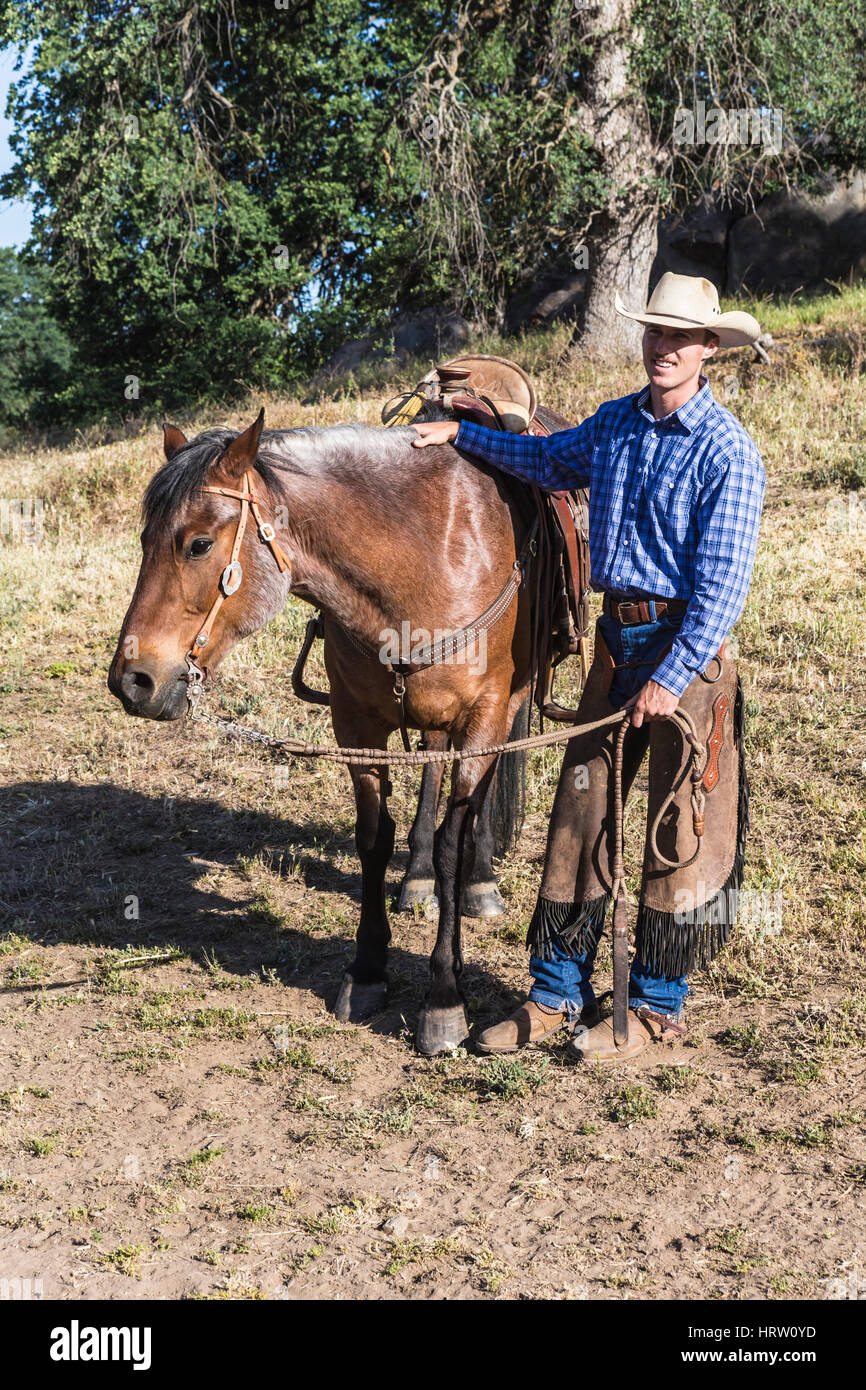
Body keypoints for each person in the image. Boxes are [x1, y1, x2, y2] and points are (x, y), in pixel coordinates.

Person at [411, 273, 765, 1062]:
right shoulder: (615, 426)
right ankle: (555, 994)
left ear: (709, 349)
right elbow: (547, 460)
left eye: (680, 337)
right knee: (582, 812)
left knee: (680, 828)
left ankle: (656, 1004)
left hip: (689, 659)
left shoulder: (727, 452)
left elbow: (722, 588)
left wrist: (670, 678)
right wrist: (463, 438)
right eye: (655, 333)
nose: (663, 348)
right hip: (617, 643)